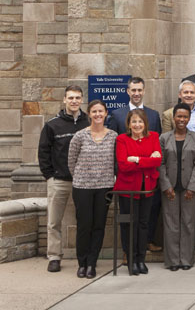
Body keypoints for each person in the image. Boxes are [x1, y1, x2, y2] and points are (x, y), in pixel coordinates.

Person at [38, 86, 89, 273]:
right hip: (59, 180)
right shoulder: (53, 125)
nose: (74, 101)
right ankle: (54, 256)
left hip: (83, 181)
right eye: (71, 98)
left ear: (82, 99)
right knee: (54, 221)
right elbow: (43, 152)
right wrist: (49, 176)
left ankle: (84, 256)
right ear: (64, 100)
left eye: (77, 97)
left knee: (84, 220)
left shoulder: (89, 122)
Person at [67, 99, 117, 279]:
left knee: (98, 226)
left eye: (100, 111)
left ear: (105, 114)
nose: (97, 115)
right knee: (84, 225)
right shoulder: (80, 136)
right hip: (82, 187)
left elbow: (115, 161)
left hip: (104, 187)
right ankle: (82, 263)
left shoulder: (113, 136)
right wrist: (82, 177)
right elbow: (71, 162)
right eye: (94, 111)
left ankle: (92, 263)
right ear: (89, 114)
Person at [114, 109, 162, 276]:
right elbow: (123, 165)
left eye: (140, 122)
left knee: (143, 224)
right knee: (130, 225)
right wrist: (147, 159)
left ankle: (141, 259)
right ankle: (131, 259)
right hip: (128, 189)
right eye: (134, 122)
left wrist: (136, 159)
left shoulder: (154, 136)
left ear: (145, 123)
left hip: (147, 188)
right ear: (129, 124)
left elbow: (158, 160)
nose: (137, 125)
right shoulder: (122, 139)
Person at [158, 103, 195, 271]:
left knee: (188, 223)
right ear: (173, 118)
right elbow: (160, 164)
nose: (182, 119)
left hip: (189, 188)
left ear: (189, 118)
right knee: (171, 224)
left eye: (185, 117)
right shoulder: (164, 138)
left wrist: (192, 187)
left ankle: (186, 259)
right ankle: (172, 261)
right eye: (179, 116)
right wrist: (166, 185)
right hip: (169, 187)